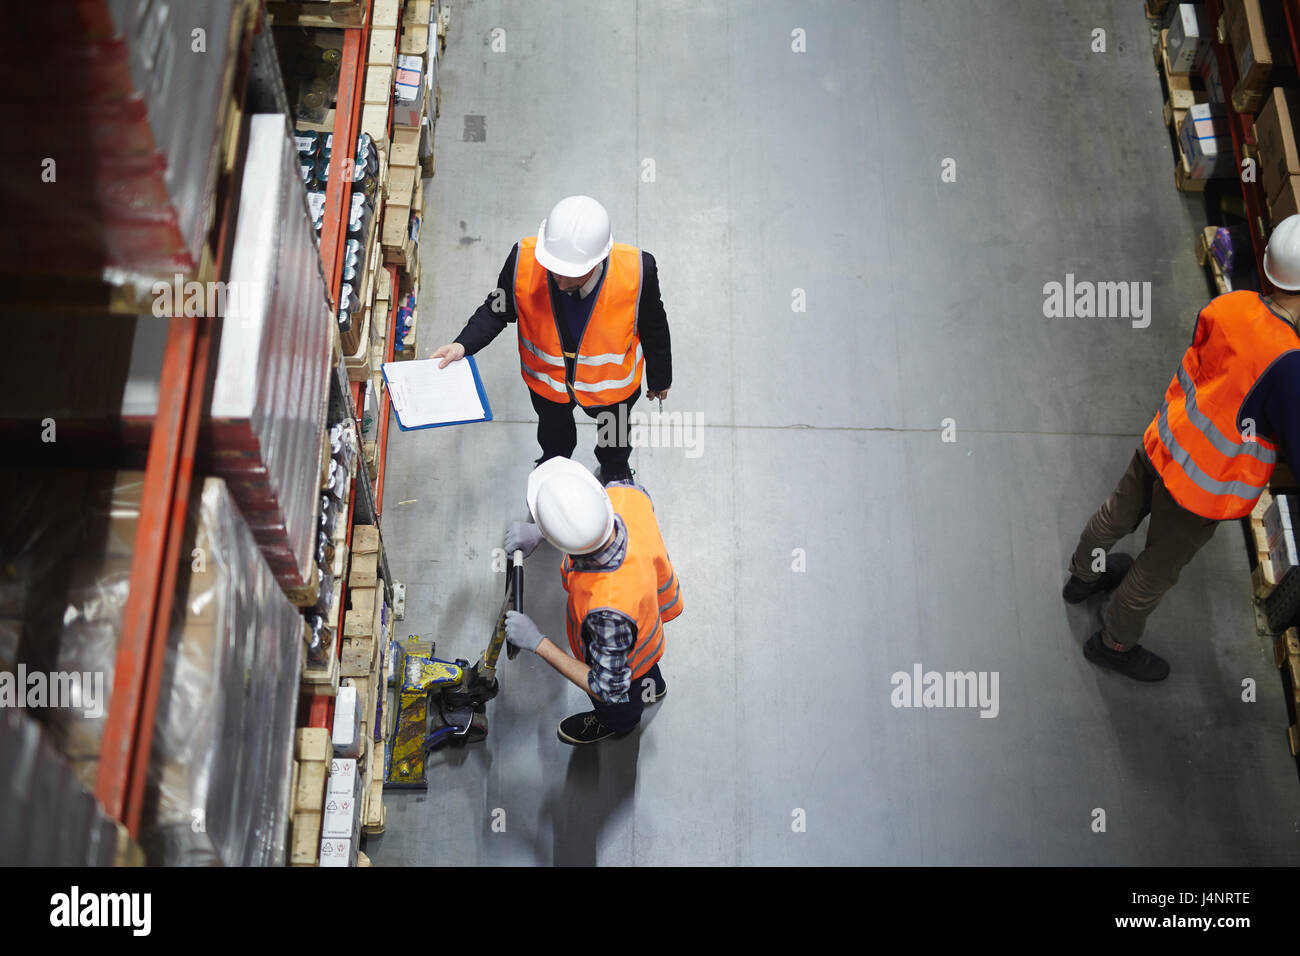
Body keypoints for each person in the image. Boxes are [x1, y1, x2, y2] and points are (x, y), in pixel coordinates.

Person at [1063, 215, 1300, 681]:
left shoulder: (1232, 304)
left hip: (1163, 442)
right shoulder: (1289, 363)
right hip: (1198, 491)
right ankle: (1113, 642)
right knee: (1155, 568)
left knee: (1117, 513)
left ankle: (1081, 578)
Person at [430, 196, 672, 484]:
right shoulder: (523, 260)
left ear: (598, 261)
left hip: (611, 389)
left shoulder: (637, 271)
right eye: (553, 267)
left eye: (569, 273)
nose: (558, 279)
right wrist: (463, 345)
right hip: (549, 385)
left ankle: (614, 468)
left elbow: (653, 325)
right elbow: (497, 309)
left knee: (614, 436)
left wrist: (659, 379)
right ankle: (553, 463)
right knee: (554, 434)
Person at [501, 457, 683, 744]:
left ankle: (619, 724)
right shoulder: (627, 492)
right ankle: (653, 686)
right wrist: (541, 531)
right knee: (645, 671)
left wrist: (538, 642)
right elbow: (590, 522)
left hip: (624, 653)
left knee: (621, 700)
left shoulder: (607, 611)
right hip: (647, 625)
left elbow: (608, 687)